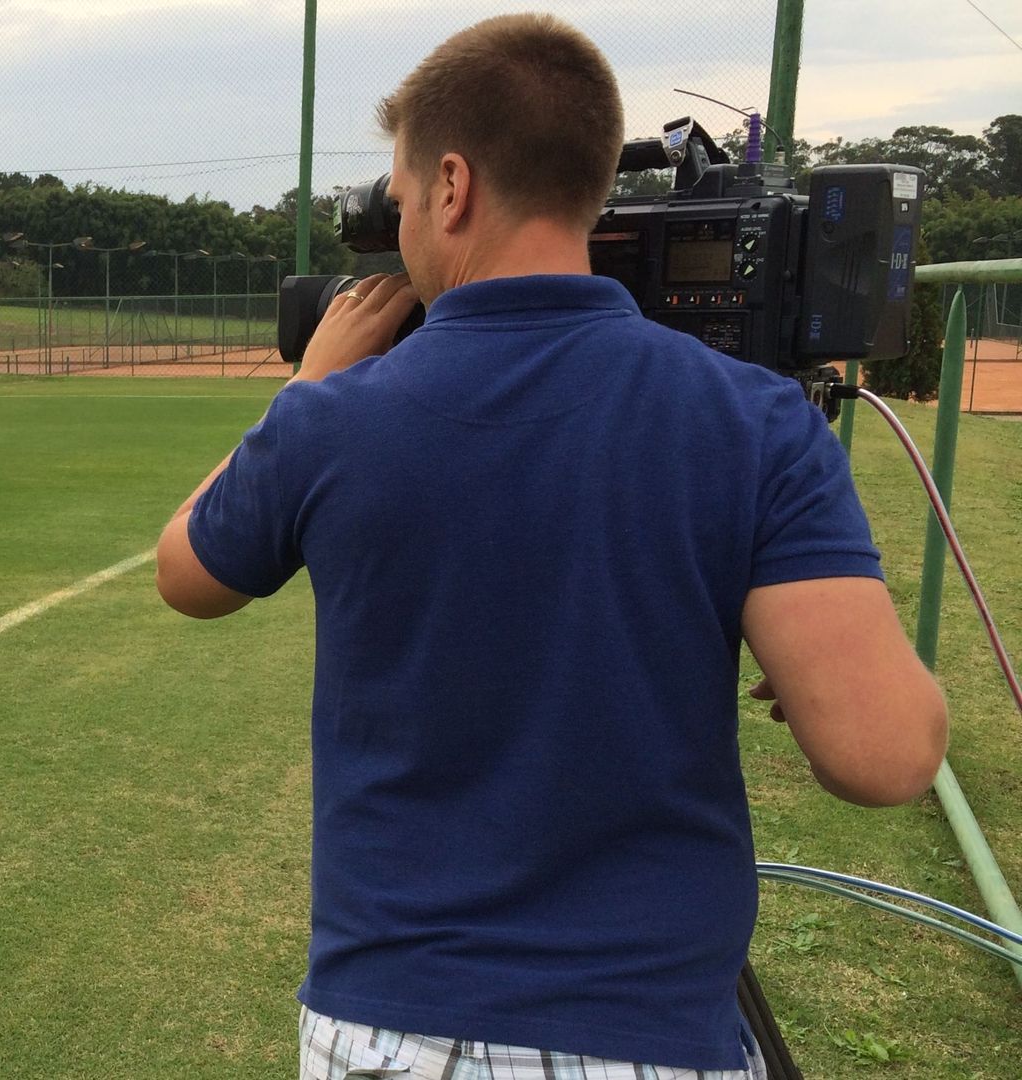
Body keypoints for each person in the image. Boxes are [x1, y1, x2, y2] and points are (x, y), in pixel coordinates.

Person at [155, 14, 948, 1080]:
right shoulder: (758, 423)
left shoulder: (334, 419)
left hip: (389, 1029)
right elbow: (887, 758)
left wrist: (308, 388)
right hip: (656, 1032)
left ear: (450, 186)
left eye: (397, 201)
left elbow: (187, 575)